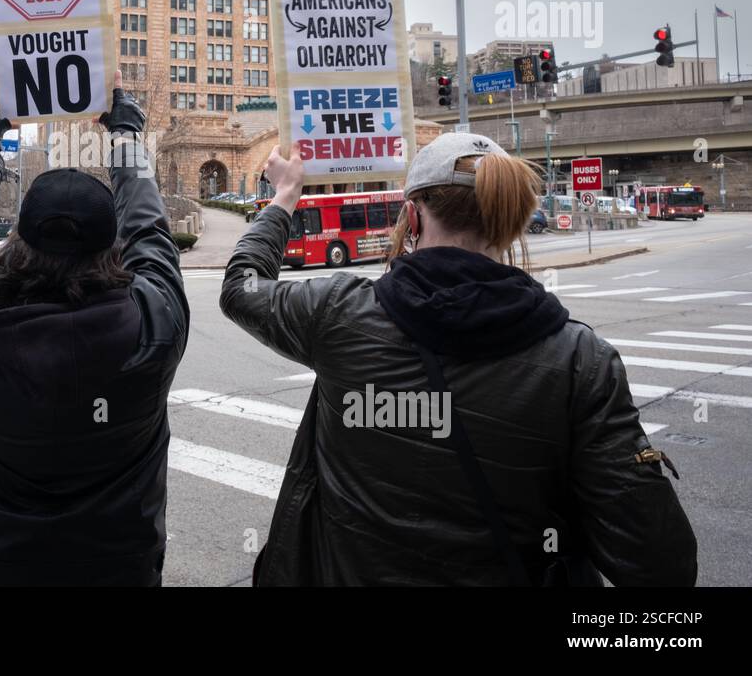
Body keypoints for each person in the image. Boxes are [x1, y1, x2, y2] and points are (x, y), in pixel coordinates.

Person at [221, 132, 697, 586]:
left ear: (413, 215)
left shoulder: (336, 313)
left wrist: (285, 196)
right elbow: (659, 564)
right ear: (510, 221)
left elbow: (242, 286)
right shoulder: (581, 361)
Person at [0, 74, 189, 586]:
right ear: (113, 254)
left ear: (16, 243)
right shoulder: (154, 328)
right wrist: (126, 135)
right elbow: (152, 232)